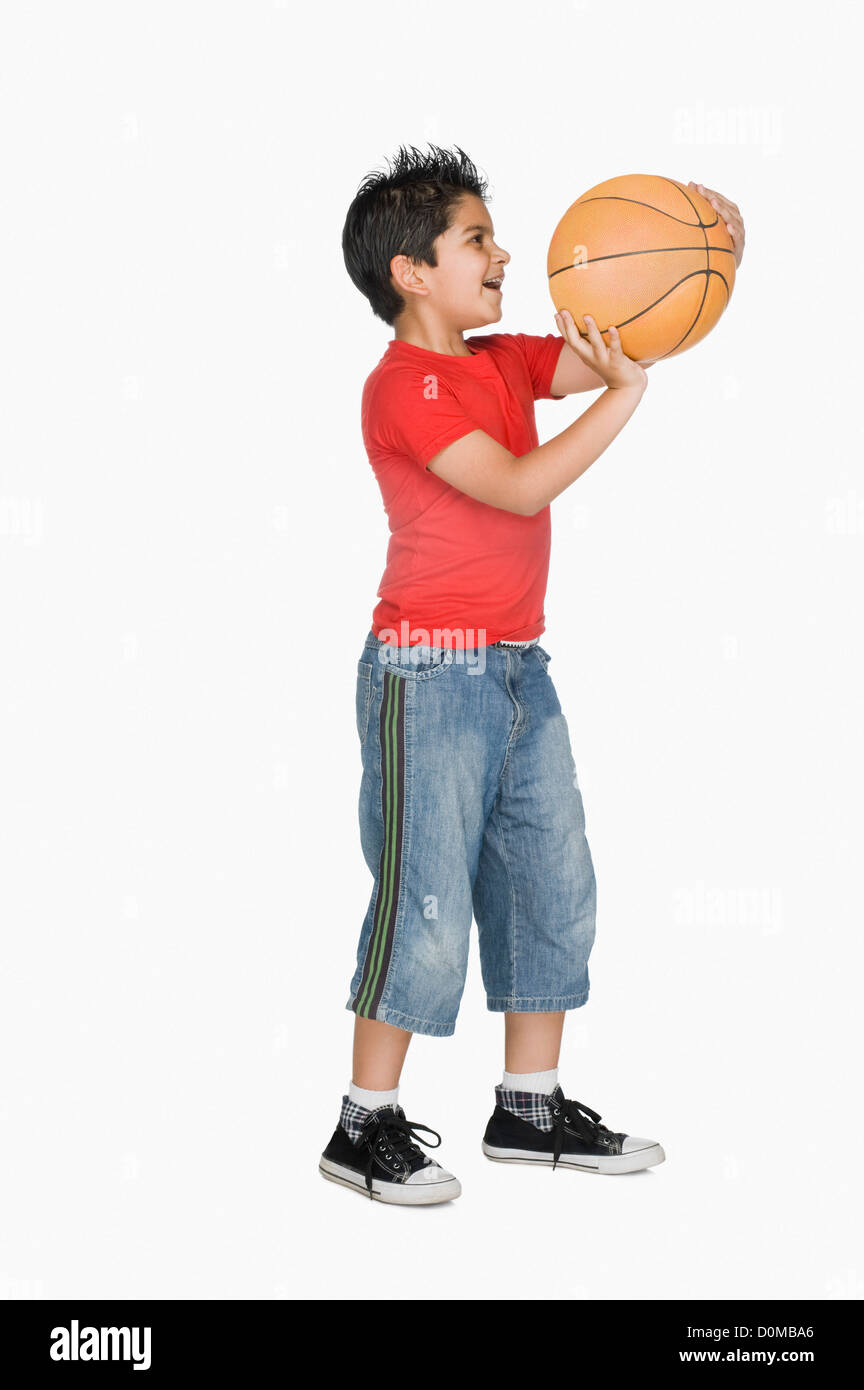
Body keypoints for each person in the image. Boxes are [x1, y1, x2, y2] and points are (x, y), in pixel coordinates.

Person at [319, 144, 744, 1204]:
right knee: (424, 905)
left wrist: (715, 250)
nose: (506, 252)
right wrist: (626, 398)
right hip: (428, 678)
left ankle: (529, 1106)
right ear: (412, 272)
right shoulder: (404, 386)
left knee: (554, 884)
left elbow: (625, 340)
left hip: (517, 671)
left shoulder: (503, 359)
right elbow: (512, 486)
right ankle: (360, 1126)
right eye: (478, 239)